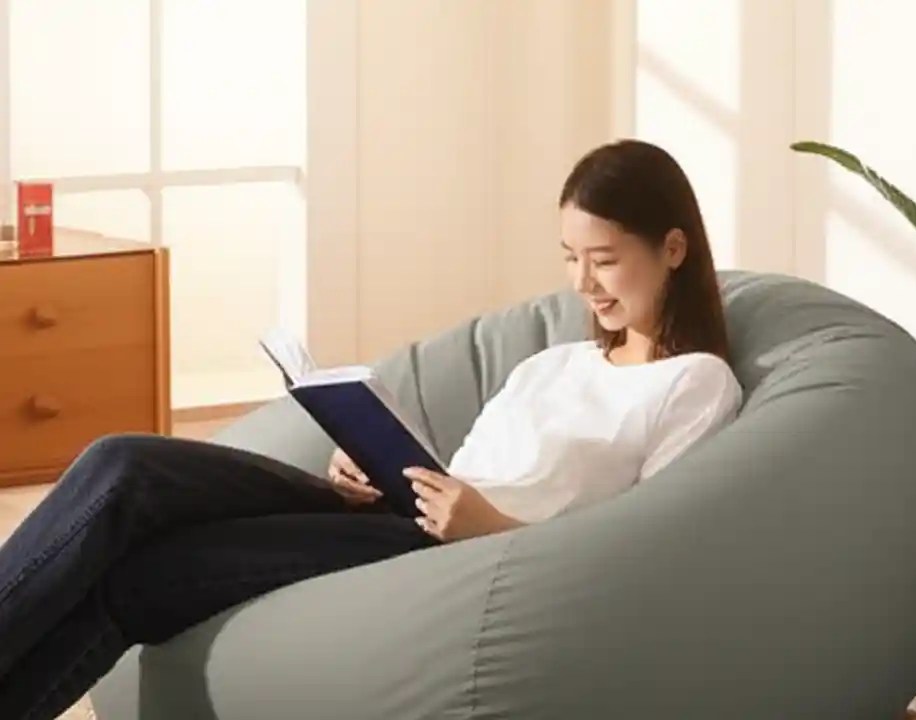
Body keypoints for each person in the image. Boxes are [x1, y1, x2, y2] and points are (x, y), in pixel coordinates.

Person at [0, 138, 743, 719]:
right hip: (400, 513)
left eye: (605, 261)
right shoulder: (555, 363)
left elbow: (653, 551)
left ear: (673, 250)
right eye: (571, 258)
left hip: (463, 556)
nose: (582, 284)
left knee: (149, 578)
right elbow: (468, 467)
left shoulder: (695, 384)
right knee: (123, 466)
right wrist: (368, 467)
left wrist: (492, 528)